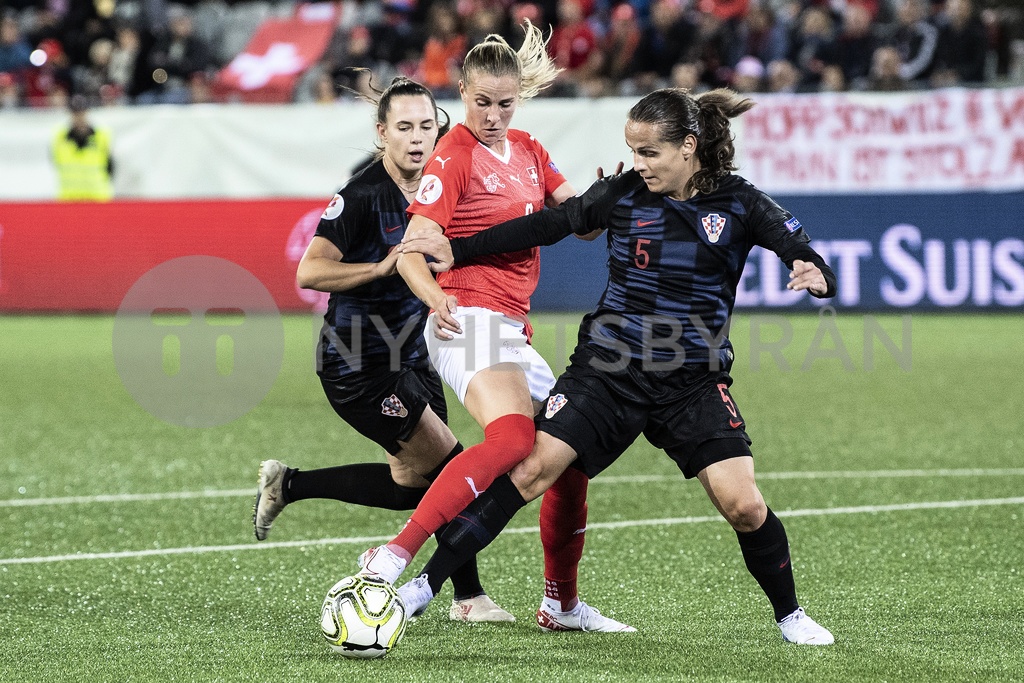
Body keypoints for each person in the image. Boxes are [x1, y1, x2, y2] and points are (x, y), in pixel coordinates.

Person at [396, 87, 838, 646]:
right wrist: (459, 252)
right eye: (633, 151)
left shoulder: (740, 202)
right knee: (530, 471)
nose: (639, 165)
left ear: (688, 147)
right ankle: (422, 588)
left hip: (691, 382)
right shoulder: (623, 192)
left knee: (744, 506)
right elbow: (547, 227)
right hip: (607, 372)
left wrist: (813, 271)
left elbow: (801, 248)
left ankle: (790, 615)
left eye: (650, 152)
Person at [357, 21, 635, 633]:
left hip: (512, 326)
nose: (492, 114)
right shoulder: (451, 157)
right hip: (466, 316)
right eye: (481, 102)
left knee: (570, 455)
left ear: (519, 98)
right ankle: (395, 553)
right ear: (461, 93)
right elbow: (411, 251)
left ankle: (561, 605)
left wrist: (608, 195)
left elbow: (581, 224)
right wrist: (434, 299)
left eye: (504, 103)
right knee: (512, 441)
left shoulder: (531, 150)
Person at [251, 76, 513, 624]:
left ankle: (290, 484)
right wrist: (379, 267)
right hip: (359, 366)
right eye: (404, 127)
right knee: (453, 467)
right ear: (382, 133)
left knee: (413, 486)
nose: (417, 138)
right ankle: (469, 598)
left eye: (426, 126)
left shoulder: (443, 184)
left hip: (413, 355)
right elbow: (311, 268)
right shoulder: (364, 195)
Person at [52, 95, 114, 201]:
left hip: (97, 197)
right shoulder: (60, 137)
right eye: (75, 113)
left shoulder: (101, 136)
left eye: (81, 112)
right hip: (69, 198)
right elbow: (56, 162)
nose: (79, 117)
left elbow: (110, 166)